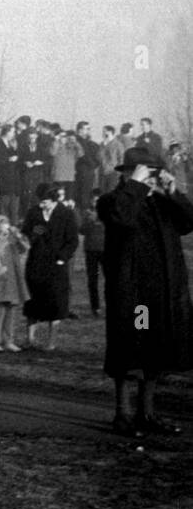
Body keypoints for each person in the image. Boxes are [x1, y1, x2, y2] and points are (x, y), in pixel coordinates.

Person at [97, 147, 193, 436]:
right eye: (144, 173)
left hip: (160, 291)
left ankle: (146, 413)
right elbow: (121, 217)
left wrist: (174, 192)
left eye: (152, 174)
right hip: (133, 293)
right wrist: (136, 185)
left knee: (155, 350)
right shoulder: (112, 200)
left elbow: (189, 223)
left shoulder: (161, 203)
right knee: (130, 349)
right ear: (127, 174)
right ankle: (122, 415)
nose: (150, 179)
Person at [21, 182, 79, 350]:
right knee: (32, 302)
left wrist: (62, 258)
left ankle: (51, 342)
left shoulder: (67, 214)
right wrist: (34, 234)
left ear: (53, 200)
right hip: (36, 263)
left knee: (55, 303)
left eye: (45, 201)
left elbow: (72, 241)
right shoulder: (33, 213)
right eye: (40, 200)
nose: (41, 204)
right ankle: (30, 339)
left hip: (56, 265)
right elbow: (25, 234)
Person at [0, 215, 27, 352]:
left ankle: (8, 340)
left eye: (7, 224)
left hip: (13, 277)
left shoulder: (13, 240)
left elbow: (25, 248)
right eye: (2, 226)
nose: (6, 229)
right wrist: (0, 237)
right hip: (0, 279)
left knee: (11, 310)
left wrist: (17, 236)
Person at [78, 188, 106, 317]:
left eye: (99, 200)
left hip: (106, 249)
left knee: (109, 279)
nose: (96, 203)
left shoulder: (108, 212)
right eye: (94, 200)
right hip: (91, 249)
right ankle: (95, 307)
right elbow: (82, 230)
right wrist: (90, 221)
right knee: (92, 280)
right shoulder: (87, 213)